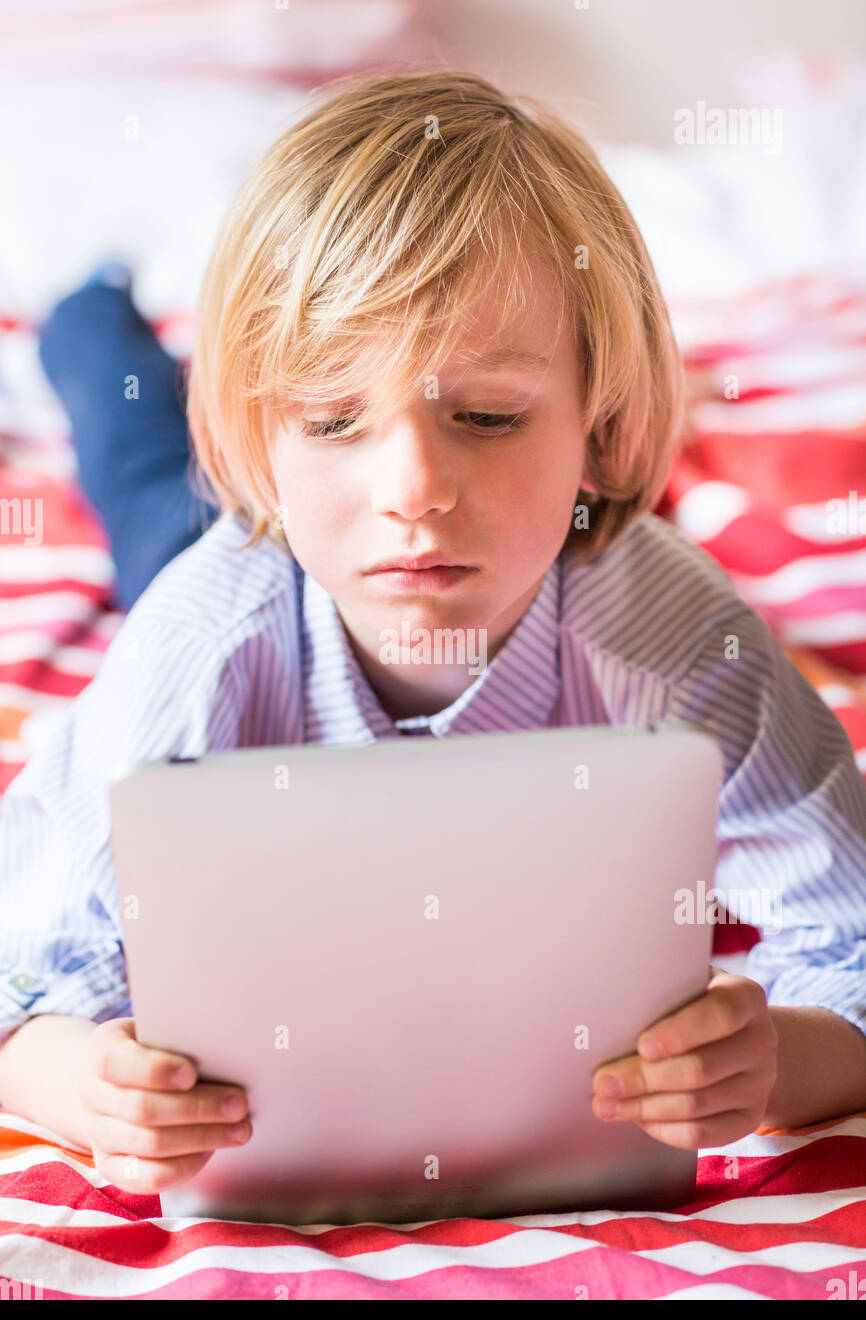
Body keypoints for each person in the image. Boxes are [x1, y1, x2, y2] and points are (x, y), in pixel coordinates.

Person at [0, 69, 864, 1199]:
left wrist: (777, 1064)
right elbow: (20, 976)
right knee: (139, 460)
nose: (411, 487)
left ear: (598, 428)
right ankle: (91, 309)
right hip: (232, 545)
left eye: (486, 417)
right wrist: (81, 1080)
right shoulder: (198, 651)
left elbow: (849, 949)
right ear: (267, 437)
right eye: (333, 418)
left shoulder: (683, 648)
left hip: (314, 527)